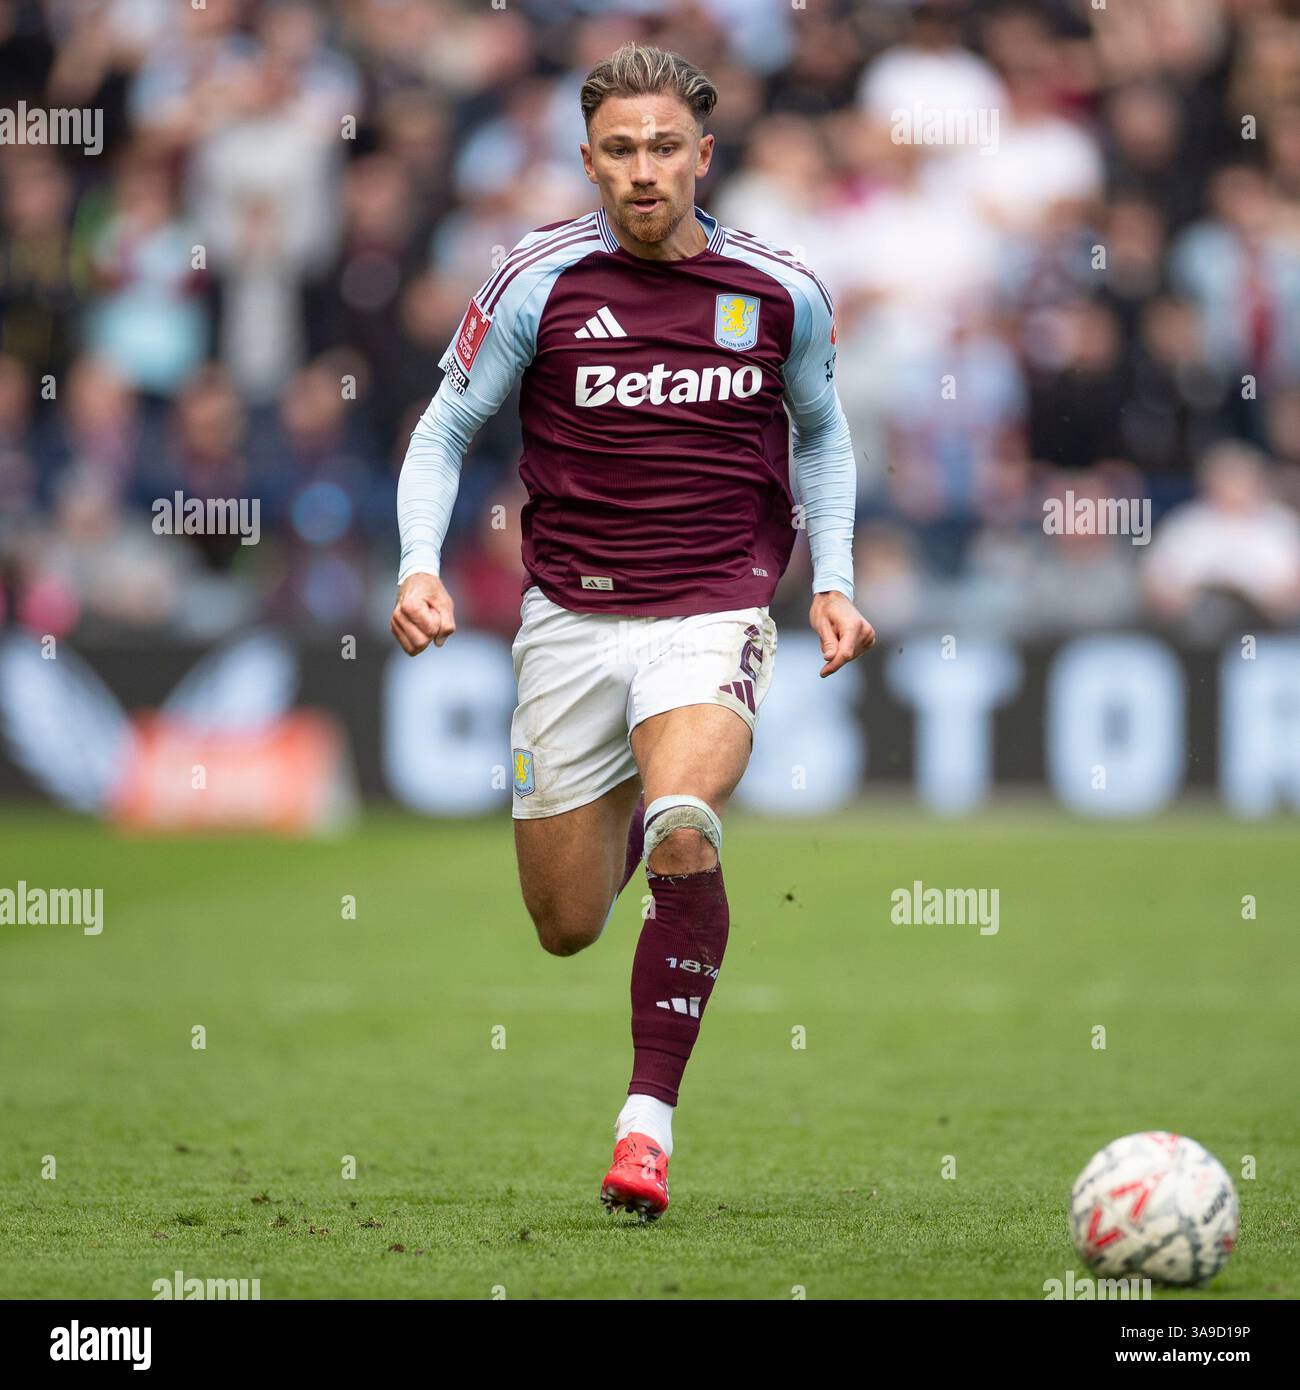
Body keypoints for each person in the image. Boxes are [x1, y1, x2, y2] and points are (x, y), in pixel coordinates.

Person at [391, 43, 875, 1221]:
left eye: (665, 147)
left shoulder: (781, 288)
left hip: (715, 606)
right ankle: (621, 831)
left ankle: (644, 1126)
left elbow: (823, 434)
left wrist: (835, 577)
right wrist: (417, 566)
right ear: (588, 161)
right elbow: (443, 430)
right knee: (565, 926)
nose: (644, 169)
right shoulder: (534, 279)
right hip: (568, 618)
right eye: (620, 149)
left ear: (703, 155)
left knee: (683, 819)